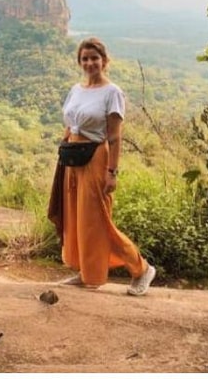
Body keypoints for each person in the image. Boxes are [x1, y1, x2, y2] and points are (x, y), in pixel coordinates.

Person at [47, 37, 156, 296]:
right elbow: (70, 123)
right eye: (85, 59)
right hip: (72, 158)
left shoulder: (112, 93)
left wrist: (112, 172)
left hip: (96, 157)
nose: (89, 63)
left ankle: (141, 268)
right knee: (75, 217)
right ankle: (85, 270)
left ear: (104, 61)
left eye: (94, 58)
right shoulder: (76, 89)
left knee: (98, 220)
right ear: (79, 62)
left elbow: (115, 137)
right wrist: (63, 152)